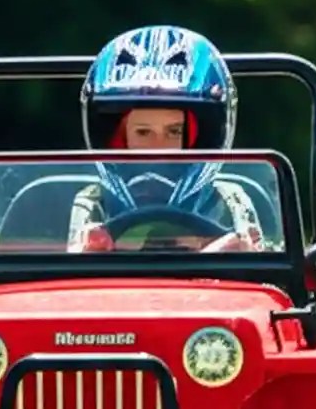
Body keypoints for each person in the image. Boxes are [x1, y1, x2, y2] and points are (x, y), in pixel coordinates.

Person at [66, 25, 265, 253]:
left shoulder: (230, 202)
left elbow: (264, 267)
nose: (157, 149)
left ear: (199, 139)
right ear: (120, 139)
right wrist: (89, 253)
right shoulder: (95, 203)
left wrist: (238, 251)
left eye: (174, 132)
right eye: (143, 133)